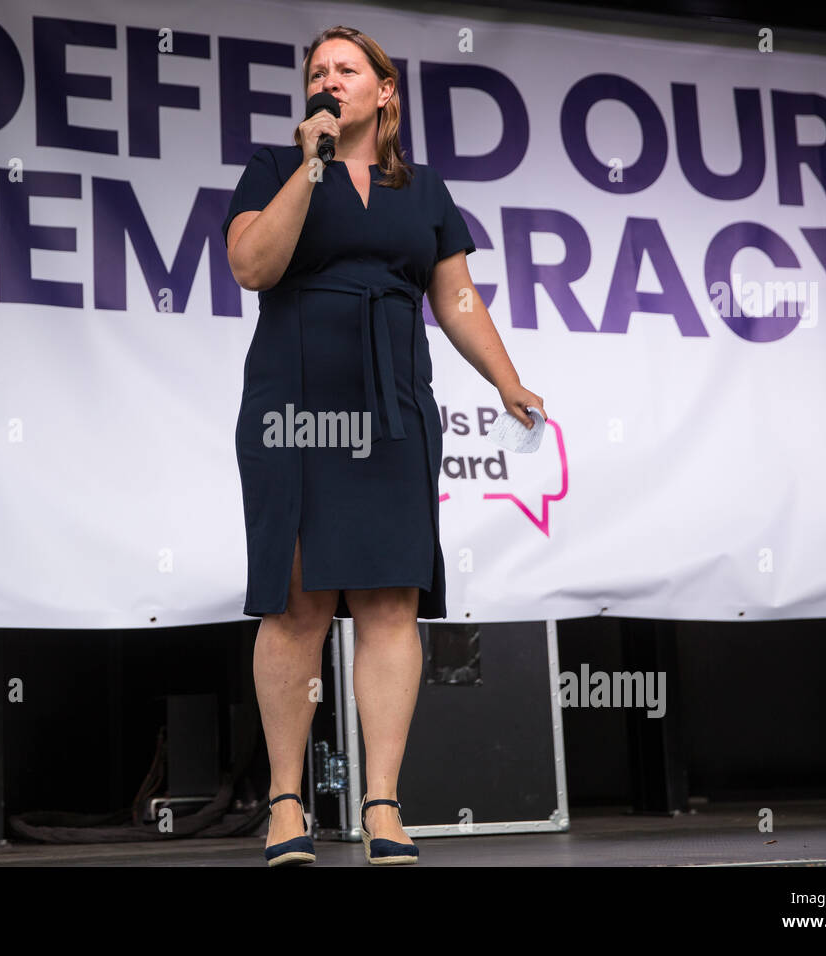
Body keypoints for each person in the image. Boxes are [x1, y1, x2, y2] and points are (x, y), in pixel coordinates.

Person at [222, 25, 546, 865]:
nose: (327, 81)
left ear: (385, 92)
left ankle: (383, 804)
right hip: (294, 404)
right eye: (317, 73)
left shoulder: (427, 189)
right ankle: (287, 804)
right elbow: (252, 266)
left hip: (394, 407)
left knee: (390, 601)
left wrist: (506, 381)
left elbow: (459, 299)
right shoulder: (275, 168)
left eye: (345, 70)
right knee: (297, 601)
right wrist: (311, 165)